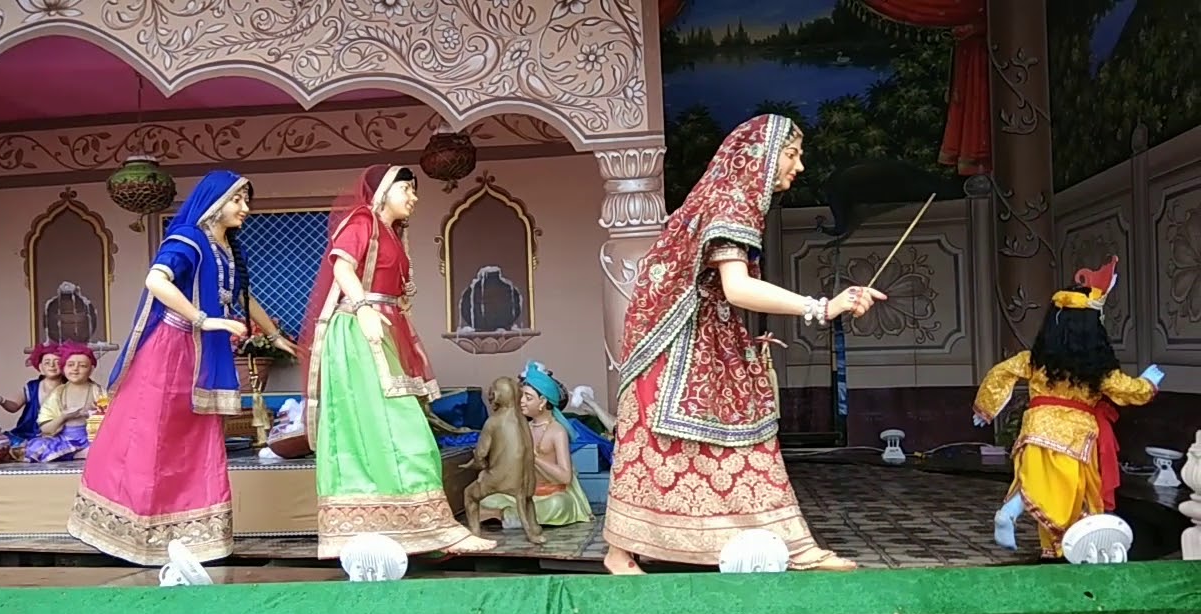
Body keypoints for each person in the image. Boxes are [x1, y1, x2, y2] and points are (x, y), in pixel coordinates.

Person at [602, 114, 887, 575]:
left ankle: (790, 544)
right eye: (791, 154)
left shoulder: (729, 201)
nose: (799, 166)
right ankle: (621, 550)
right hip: (677, 346)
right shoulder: (730, 204)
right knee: (681, 447)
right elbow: (737, 288)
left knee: (736, 441)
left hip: (703, 338)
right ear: (762, 156)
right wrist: (822, 307)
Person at [67, 170, 297, 566]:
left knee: (198, 442)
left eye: (246, 200)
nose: (245, 208)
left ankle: (196, 536)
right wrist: (203, 319)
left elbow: (242, 297)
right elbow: (156, 281)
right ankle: (137, 536)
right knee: (155, 439)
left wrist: (275, 335)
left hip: (199, 356)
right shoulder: (188, 240)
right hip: (169, 353)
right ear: (214, 203)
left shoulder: (226, 249)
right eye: (237, 199)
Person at [301, 164, 495, 560]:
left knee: (392, 428)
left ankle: (416, 531)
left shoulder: (392, 233)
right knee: (392, 427)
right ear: (382, 191)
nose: (414, 197)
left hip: (382, 329)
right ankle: (428, 529)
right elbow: (342, 266)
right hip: (360, 334)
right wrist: (363, 308)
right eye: (406, 188)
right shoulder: (363, 221)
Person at [972, 256, 1161, 558]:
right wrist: (1149, 382)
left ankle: (1011, 514)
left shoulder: (1035, 359)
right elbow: (1130, 391)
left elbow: (1001, 372)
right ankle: (1067, 549)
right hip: (1074, 438)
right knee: (1070, 495)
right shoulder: (1097, 369)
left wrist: (986, 407)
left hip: (1035, 430)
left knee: (1034, 483)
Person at [479, 361, 595, 528]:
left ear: (542, 402)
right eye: (521, 397)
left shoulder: (557, 431)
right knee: (488, 499)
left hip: (552, 494)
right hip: (526, 494)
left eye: (528, 398)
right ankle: (510, 515)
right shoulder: (523, 428)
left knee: (558, 505)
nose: (521, 402)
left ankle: (505, 516)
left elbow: (565, 477)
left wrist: (535, 458)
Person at [23, 342, 102, 463]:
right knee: (38, 445)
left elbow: (110, 418)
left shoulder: (98, 392)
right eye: (70, 365)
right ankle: (75, 453)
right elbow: (46, 428)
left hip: (90, 438)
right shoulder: (58, 393)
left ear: (91, 369)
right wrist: (64, 417)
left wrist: (92, 416)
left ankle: (80, 452)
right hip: (63, 439)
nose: (75, 369)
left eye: (82, 366)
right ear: (63, 368)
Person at [0, 341, 63, 448]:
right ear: (40, 367)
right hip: (27, 434)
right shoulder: (32, 387)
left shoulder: (70, 388)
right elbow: (14, 406)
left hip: (58, 435)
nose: (52, 365)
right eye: (47, 362)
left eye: (57, 362)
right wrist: (1, 400)